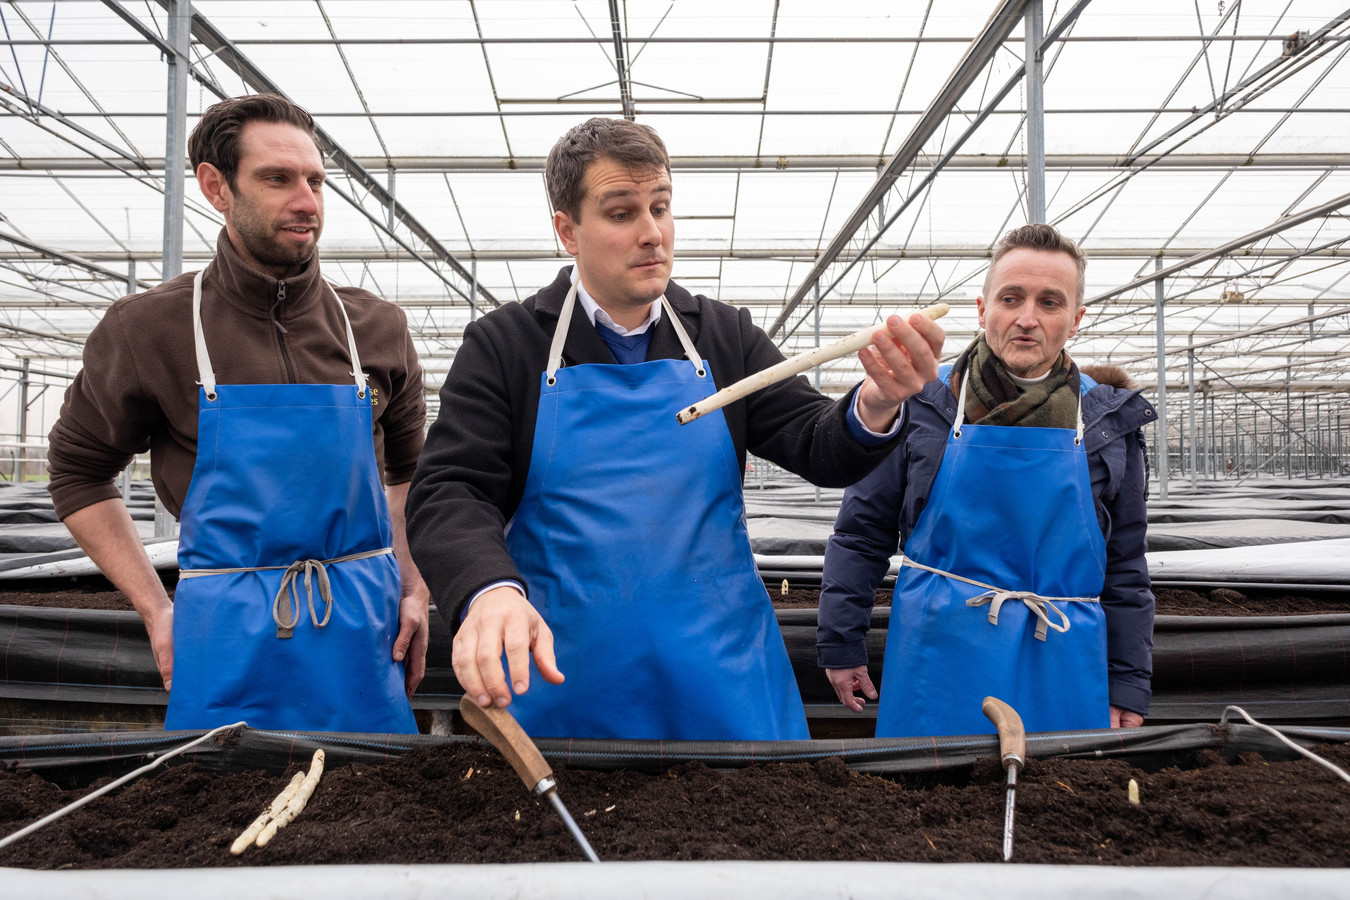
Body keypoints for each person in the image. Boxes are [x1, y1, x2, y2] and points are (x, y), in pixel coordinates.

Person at [407, 117, 945, 741]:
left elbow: (815, 442)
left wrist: (876, 401)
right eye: (621, 212)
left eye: (661, 207)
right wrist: (489, 589)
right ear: (567, 231)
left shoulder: (721, 336)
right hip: (564, 681)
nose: (652, 233)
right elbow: (450, 489)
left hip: (722, 677)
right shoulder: (508, 346)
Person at [46, 94, 429, 733]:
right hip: (223, 630)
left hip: (365, 624)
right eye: (277, 179)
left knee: (372, 811)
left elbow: (410, 476)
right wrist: (155, 608)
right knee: (219, 807)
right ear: (215, 186)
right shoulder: (151, 330)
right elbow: (78, 474)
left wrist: (416, 588)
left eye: (315, 181)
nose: (307, 202)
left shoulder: (376, 329)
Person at [817, 223, 1156, 737]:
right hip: (939, 649)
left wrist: (1128, 681)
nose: (1027, 318)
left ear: (1076, 319)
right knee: (929, 798)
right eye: (1011, 298)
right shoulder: (924, 404)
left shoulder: (1108, 424)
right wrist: (840, 642)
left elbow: (1126, 565)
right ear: (982, 309)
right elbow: (862, 533)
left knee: (1055, 801)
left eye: (1050, 303)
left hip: (1061, 652)